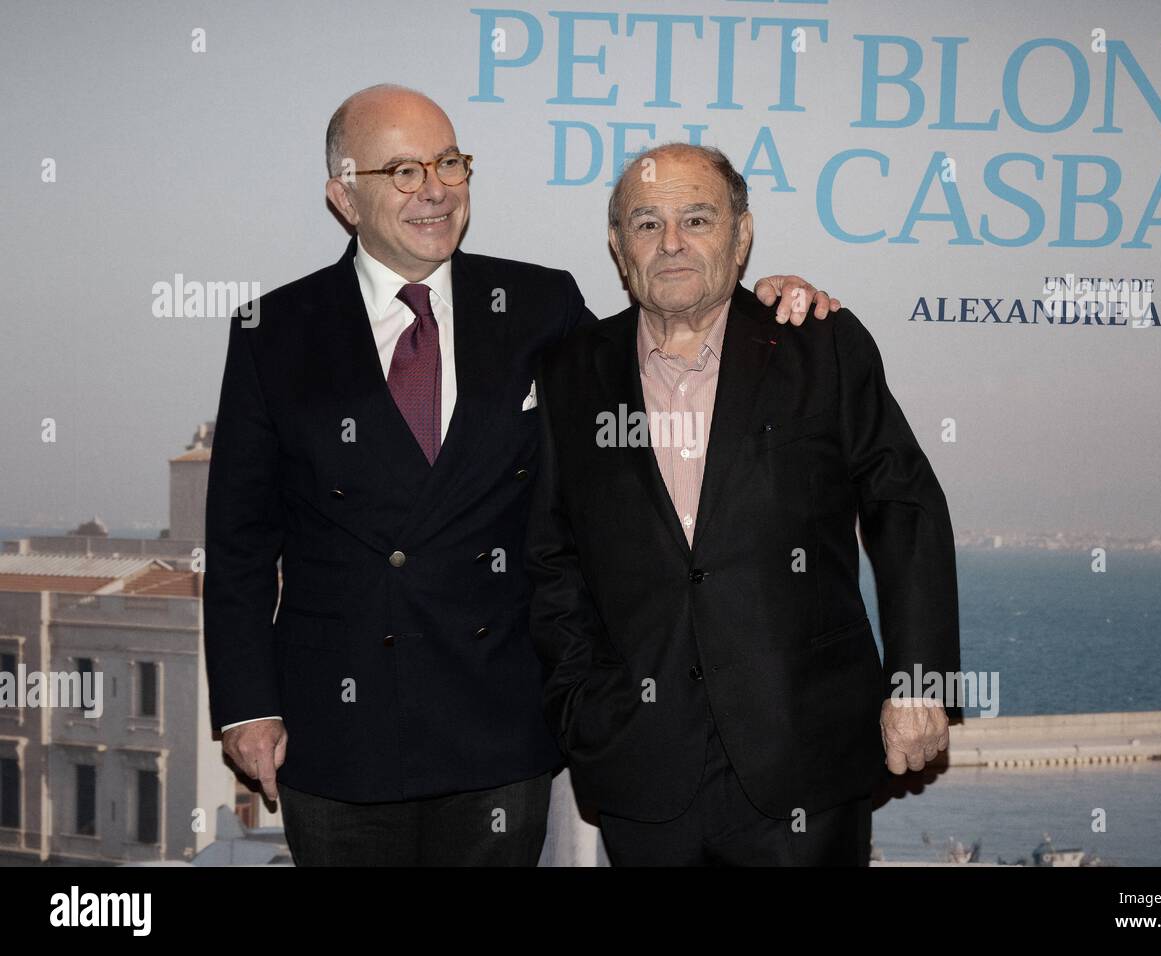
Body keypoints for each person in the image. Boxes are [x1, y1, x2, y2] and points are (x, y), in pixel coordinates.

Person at [202, 84, 837, 866]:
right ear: (343, 196)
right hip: (340, 733)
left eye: (448, 162)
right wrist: (245, 708)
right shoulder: (274, 331)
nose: (435, 189)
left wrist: (763, 307)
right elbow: (236, 546)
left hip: (498, 728)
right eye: (402, 171)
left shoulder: (539, 304)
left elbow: (666, 342)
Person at [527, 143, 960, 866]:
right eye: (645, 223)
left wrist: (919, 683)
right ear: (617, 246)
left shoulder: (819, 344)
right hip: (641, 764)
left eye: (697, 218)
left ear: (742, 234)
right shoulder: (570, 374)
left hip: (807, 757)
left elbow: (904, 505)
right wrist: (584, 709)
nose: (671, 243)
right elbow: (550, 557)